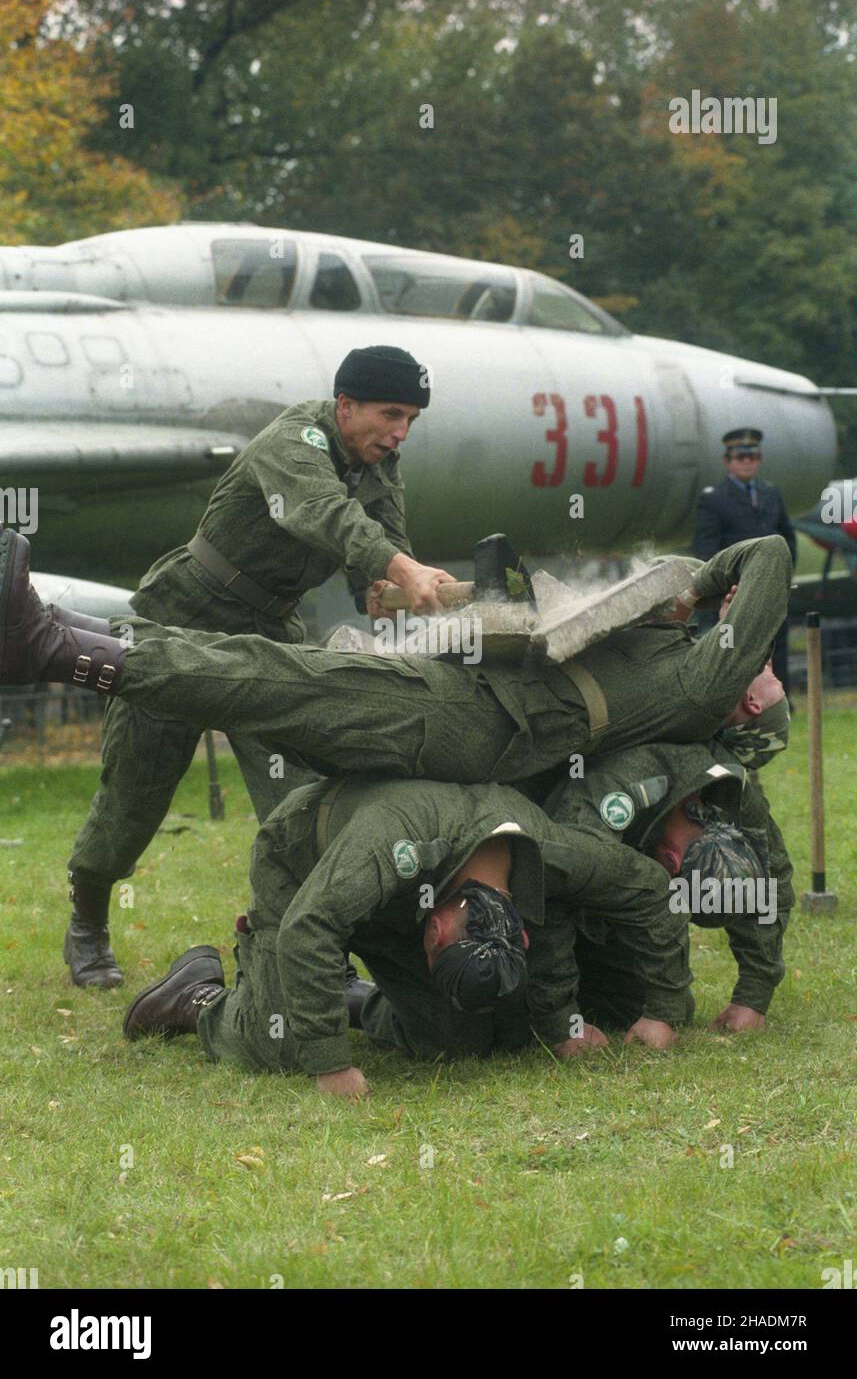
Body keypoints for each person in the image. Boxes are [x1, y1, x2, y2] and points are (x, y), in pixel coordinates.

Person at [60, 345, 454, 988]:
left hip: (270, 632)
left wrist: (392, 589)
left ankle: (308, 954)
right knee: (134, 794)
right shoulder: (295, 440)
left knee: (299, 800)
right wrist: (398, 567)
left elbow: (382, 553)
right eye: (390, 414)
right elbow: (324, 514)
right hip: (183, 616)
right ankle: (88, 924)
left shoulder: (382, 468)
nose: (400, 432)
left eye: (411, 418)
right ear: (345, 406)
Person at [1, 533, 792, 805]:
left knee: (266, 678)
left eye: (771, 683)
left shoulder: (703, 692)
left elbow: (767, 554)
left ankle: (44, 646)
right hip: (469, 697)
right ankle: (51, 631)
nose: (766, 672)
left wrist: (700, 587)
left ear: (748, 711)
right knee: (262, 668)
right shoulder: (680, 659)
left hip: (470, 721)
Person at [120, 775, 695, 1097]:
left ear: (518, 933)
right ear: (439, 928)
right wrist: (330, 1065)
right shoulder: (390, 843)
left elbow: (650, 889)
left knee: (458, 1039)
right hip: (307, 871)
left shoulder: (553, 853)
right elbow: (308, 926)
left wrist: (661, 1011)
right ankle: (199, 1000)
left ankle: (340, 993)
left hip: (401, 898)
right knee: (283, 1047)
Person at [542, 734, 793, 1041]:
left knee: (639, 1007)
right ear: (671, 864)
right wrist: (563, 1024)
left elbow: (772, 881)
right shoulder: (612, 797)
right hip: (527, 870)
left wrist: (752, 998)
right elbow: (550, 887)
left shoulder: (732, 798)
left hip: (603, 900)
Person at [692, 427, 797, 698]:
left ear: (759, 459)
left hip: (772, 587)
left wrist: (785, 576)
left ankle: (779, 700)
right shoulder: (713, 497)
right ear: (727, 461)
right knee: (737, 647)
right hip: (736, 590)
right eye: (740, 457)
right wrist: (722, 591)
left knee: (777, 642)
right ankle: (741, 701)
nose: (747, 462)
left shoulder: (771, 493)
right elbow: (707, 549)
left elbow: (787, 537)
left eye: (752, 456)